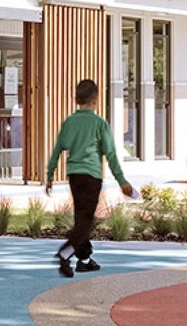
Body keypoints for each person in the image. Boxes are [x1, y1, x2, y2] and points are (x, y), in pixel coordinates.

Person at [43, 78, 135, 277]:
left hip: (74, 176)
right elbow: (110, 154)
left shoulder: (69, 122)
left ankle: (84, 260)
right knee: (87, 221)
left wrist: (49, 176)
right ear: (95, 99)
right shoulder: (99, 123)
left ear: (77, 98)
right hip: (92, 176)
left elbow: (57, 150)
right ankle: (65, 252)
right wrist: (121, 181)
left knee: (81, 217)